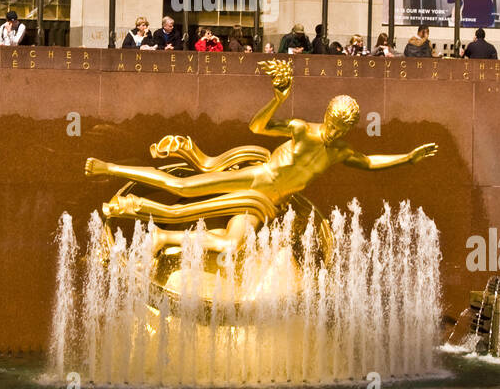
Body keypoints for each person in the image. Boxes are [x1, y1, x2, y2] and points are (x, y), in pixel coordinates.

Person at [86, 60, 437, 255]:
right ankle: (111, 168)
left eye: (341, 129)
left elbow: (370, 162)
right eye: (332, 124)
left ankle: (163, 239)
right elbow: (257, 127)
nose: (334, 132)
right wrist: (278, 99)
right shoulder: (302, 129)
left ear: (347, 131)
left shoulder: (340, 151)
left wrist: (407, 158)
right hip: (255, 179)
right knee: (185, 188)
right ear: (327, 116)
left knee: (230, 246)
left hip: (266, 205)